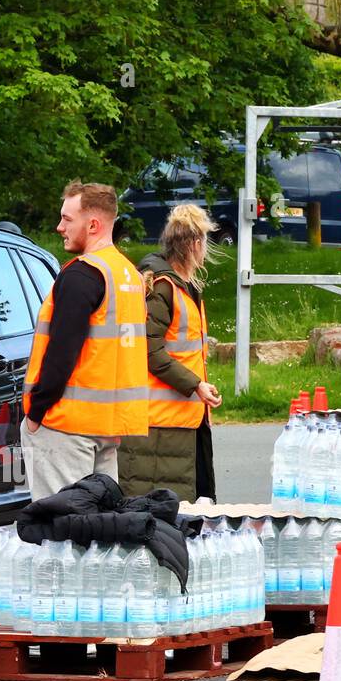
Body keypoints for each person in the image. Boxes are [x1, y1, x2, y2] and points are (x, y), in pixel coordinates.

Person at [20, 180, 149, 501]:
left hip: (65, 426)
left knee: (60, 532)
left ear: (92, 224)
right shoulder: (129, 275)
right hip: (108, 427)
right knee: (99, 533)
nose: (59, 226)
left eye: (67, 219)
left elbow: (62, 352)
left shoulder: (81, 275)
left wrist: (36, 413)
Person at [118, 204, 223, 501]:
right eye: (204, 240)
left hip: (180, 419)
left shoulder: (179, 285)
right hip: (159, 424)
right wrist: (195, 385)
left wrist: (198, 389)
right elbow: (149, 351)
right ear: (194, 244)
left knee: (188, 508)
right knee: (164, 512)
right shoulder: (162, 286)